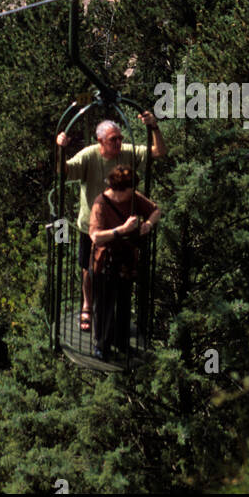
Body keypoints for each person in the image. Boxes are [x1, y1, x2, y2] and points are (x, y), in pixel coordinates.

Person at [55, 112, 166, 333]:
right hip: (91, 226)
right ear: (100, 141)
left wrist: (154, 127)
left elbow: (158, 152)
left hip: (122, 228)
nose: (118, 143)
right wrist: (61, 149)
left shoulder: (127, 153)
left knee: (122, 268)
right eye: (113, 139)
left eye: (119, 138)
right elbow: (63, 171)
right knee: (89, 268)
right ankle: (87, 306)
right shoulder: (89, 156)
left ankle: (114, 316)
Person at [89, 165, 160, 361]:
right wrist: (121, 229)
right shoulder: (100, 204)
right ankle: (101, 346)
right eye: (129, 190)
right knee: (103, 307)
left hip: (126, 263)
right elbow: (95, 237)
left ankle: (121, 343)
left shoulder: (133, 197)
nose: (132, 194)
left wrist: (148, 224)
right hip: (105, 263)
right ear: (120, 189)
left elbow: (155, 210)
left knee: (123, 304)